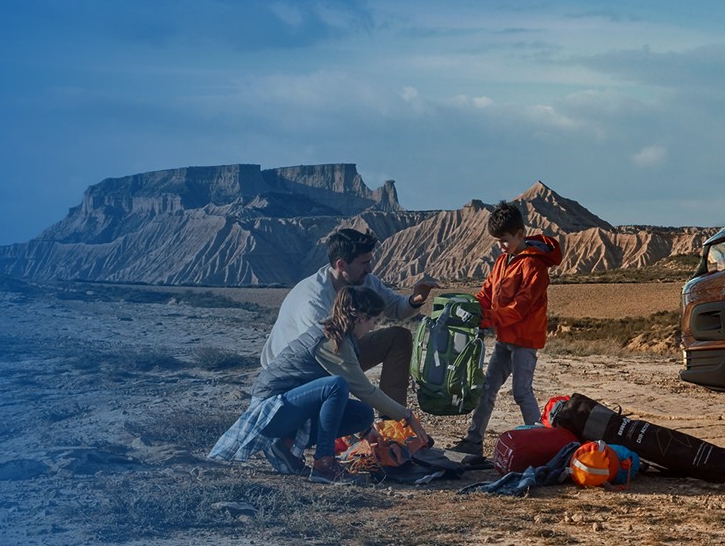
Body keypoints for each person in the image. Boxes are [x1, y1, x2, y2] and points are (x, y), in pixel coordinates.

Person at [209, 286, 431, 484]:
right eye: (373, 322)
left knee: (363, 415)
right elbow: (364, 389)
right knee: (336, 386)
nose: (373, 328)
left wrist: (367, 430)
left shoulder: (342, 337)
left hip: (291, 409)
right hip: (272, 409)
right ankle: (324, 464)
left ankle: (285, 444)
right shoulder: (331, 341)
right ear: (361, 317)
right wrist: (407, 416)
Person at [261, 228, 439, 407]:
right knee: (344, 398)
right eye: (364, 263)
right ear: (341, 264)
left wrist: (417, 299)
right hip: (295, 375)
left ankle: (392, 425)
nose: (369, 269)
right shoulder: (314, 297)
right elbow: (326, 352)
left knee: (398, 337)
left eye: (370, 262)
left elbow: (396, 309)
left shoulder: (364, 280)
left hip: (338, 349)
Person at [449, 201, 562, 455]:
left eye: (504, 240)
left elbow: (520, 308)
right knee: (487, 389)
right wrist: (473, 308)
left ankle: (540, 445)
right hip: (504, 338)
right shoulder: (502, 262)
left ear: (520, 234)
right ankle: (473, 442)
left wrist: (488, 319)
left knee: (521, 392)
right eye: (497, 241)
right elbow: (486, 293)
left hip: (524, 340)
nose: (500, 245)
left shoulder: (535, 266)